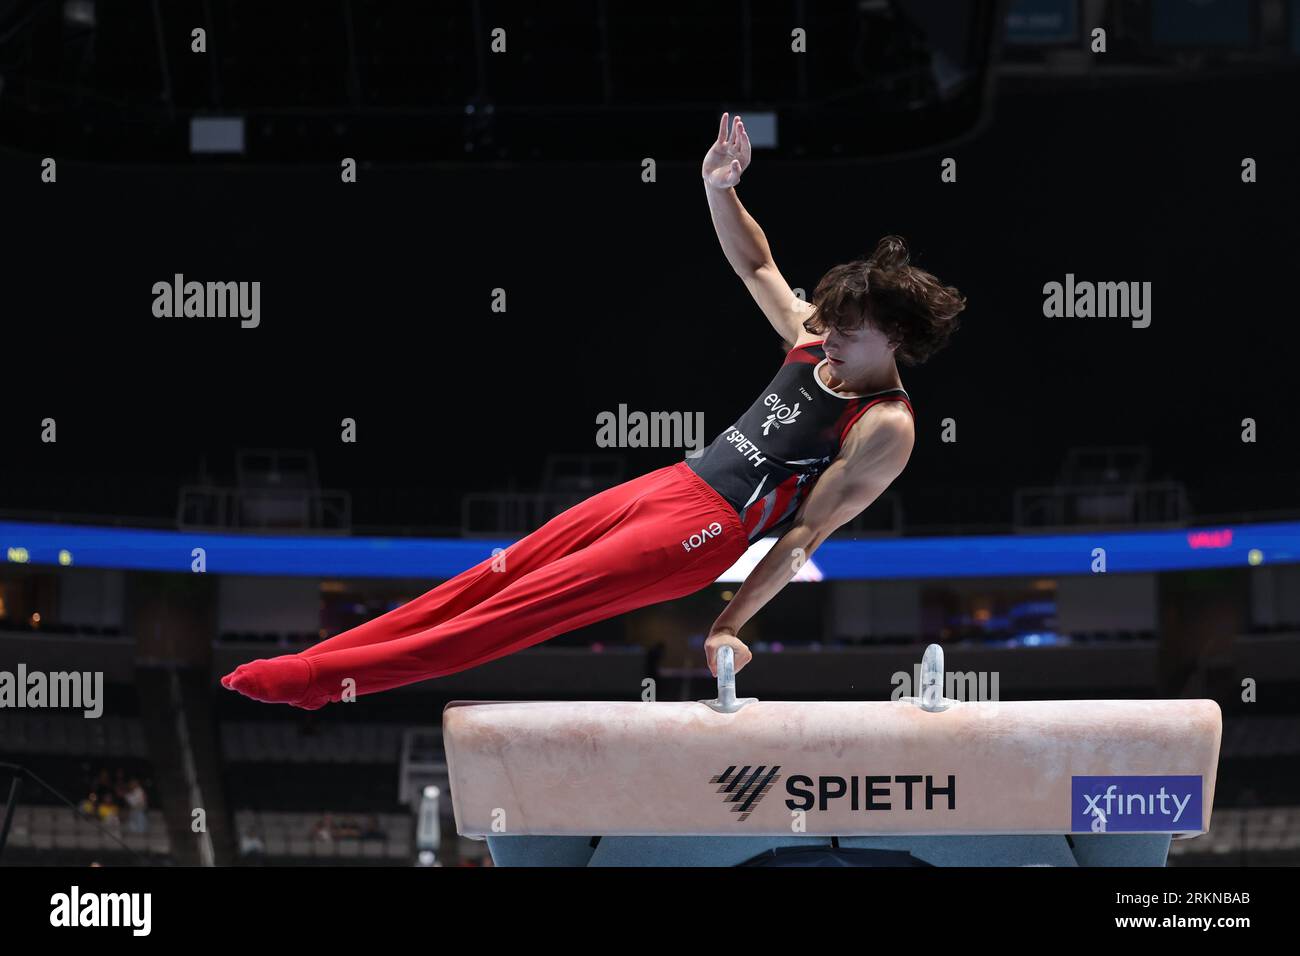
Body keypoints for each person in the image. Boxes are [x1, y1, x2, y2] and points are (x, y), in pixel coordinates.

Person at [222, 113, 965, 710]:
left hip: (706, 534)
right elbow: (759, 266)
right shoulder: (815, 339)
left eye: (846, 330)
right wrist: (717, 188)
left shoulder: (885, 427)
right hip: (671, 483)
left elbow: (805, 535)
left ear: (895, 336)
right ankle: (321, 663)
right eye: (826, 322)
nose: (824, 334)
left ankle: (320, 685)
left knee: (523, 608)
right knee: (494, 575)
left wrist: (730, 620)